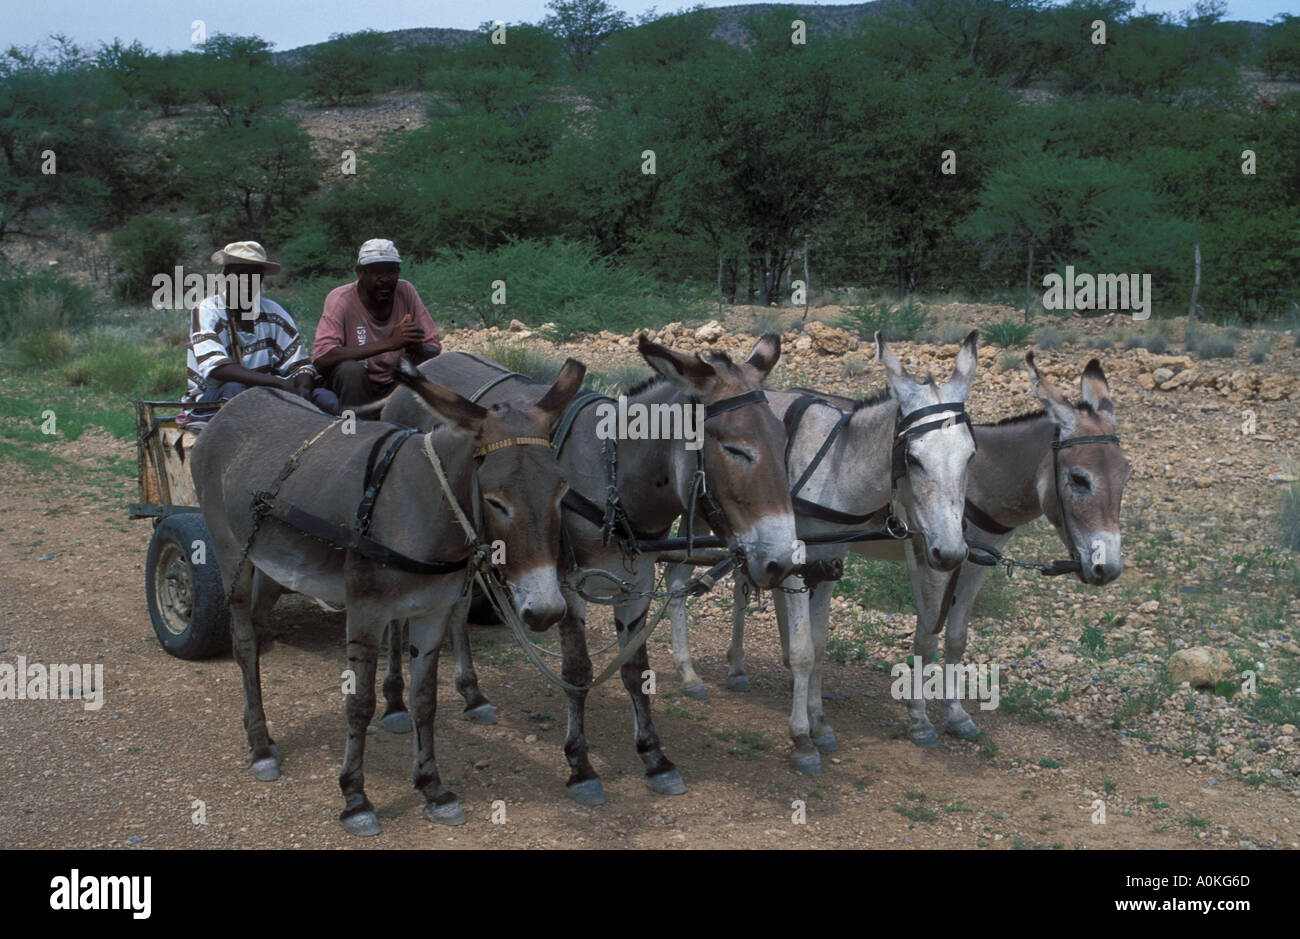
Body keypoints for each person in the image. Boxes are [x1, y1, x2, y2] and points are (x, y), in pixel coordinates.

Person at [184, 241, 339, 418]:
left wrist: (303, 389)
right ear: (226, 276)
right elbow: (217, 367)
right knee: (236, 391)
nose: (248, 282)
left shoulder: (273, 311)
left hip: (268, 391)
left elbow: (299, 364)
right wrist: (277, 384)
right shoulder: (207, 309)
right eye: (241, 275)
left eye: (255, 276)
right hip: (215, 397)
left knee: (326, 399)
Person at [312, 238, 441, 408]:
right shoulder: (340, 299)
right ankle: (357, 429)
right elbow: (322, 359)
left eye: (392, 272)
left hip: (394, 382)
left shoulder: (406, 291)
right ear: (360, 273)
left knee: (434, 372)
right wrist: (390, 343)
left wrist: (417, 347)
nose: (385, 279)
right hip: (355, 387)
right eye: (377, 273)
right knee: (351, 371)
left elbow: (434, 349)